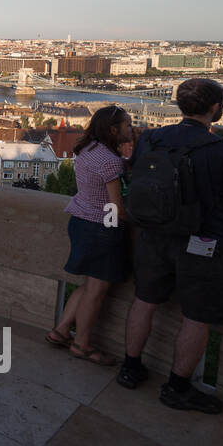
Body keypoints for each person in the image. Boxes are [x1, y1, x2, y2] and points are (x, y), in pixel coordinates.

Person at [119, 78, 223, 413]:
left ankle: (130, 368)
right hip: (204, 241)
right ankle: (177, 387)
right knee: (198, 317)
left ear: (179, 104)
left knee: (144, 301)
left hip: (153, 235)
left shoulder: (152, 139)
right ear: (216, 108)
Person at [46, 106, 133, 364]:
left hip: (81, 221)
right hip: (102, 227)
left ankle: (61, 330)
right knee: (96, 290)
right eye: (127, 125)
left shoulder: (88, 149)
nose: (132, 128)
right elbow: (116, 208)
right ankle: (82, 344)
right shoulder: (110, 160)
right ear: (113, 129)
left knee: (87, 286)